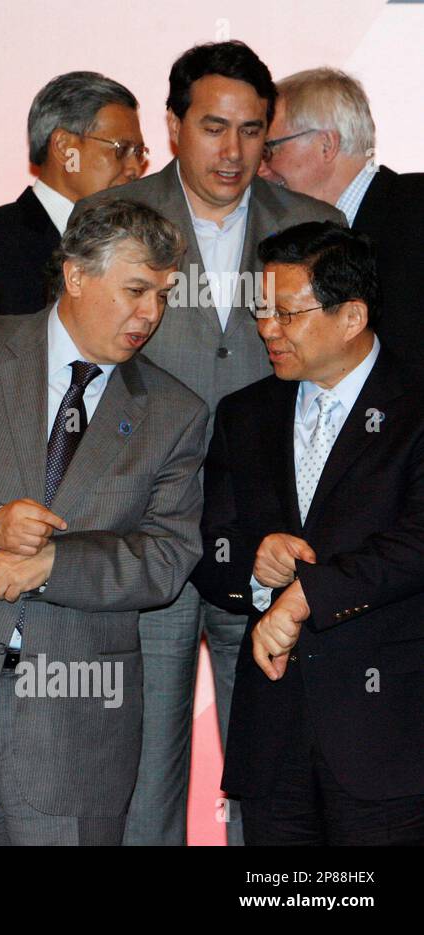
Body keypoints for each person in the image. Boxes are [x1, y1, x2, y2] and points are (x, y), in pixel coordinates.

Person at [75, 41, 344, 846]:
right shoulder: (113, 220)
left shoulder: (316, 229)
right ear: (173, 125)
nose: (232, 151)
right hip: (143, 530)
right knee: (139, 780)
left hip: (269, 542)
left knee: (269, 780)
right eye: (213, 127)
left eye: (253, 131)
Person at [0, 200, 208, 844]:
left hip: (78, 726)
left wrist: (54, 562)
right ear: (78, 276)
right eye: (136, 290)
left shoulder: (176, 412)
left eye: (163, 295)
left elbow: (167, 558)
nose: (151, 314)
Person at [193, 222, 424, 844]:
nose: (268, 329)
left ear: (352, 316)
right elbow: (206, 545)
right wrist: (252, 562)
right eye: (262, 310)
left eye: (287, 314)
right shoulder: (244, 414)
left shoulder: (414, 407)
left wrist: (307, 594)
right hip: (274, 740)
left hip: (392, 739)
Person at [0, 71, 145, 337]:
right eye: (121, 149)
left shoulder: (136, 247)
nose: (135, 168)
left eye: (139, 153)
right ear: (65, 147)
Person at [259, 67, 424, 359]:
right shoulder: (288, 235)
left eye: (269, 149)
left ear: (326, 144)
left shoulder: (415, 206)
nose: (260, 169)